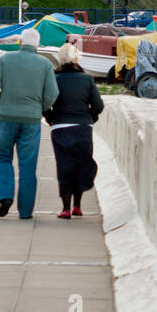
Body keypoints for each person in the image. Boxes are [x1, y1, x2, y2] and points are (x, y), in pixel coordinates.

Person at [0, 27, 58, 220]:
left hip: (6, 118)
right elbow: (52, 93)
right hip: (31, 122)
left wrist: (0, 102)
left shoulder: (6, 59)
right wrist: (39, 107)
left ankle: (5, 196)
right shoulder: (45, 64)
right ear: (38, 45)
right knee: (28, 166)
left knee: (2, 157)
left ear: (20, 43)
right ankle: (25, 212)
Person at [45, 43, 103, 218]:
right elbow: (98, 105)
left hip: (61, 127)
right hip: (83, 128)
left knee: (64, 166)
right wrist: (90, 117)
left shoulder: (54, 79)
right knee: (81, 164)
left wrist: (51, 119)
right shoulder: (86, 79)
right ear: (76, 58)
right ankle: (78, 206)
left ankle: (65, 208)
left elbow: (45, 103)